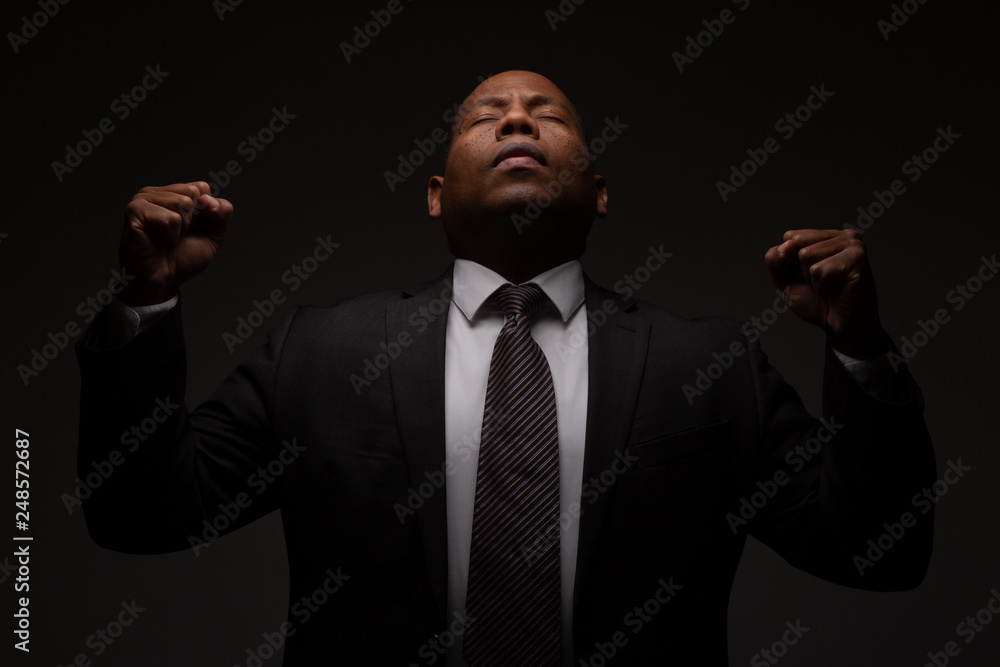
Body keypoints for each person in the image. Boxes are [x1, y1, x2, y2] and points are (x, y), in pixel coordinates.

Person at [76, 71, 935, 666]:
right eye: (486, 113)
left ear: (599, 191)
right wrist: (145, 300)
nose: (518, 120)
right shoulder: (318, 351)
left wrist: (857, 343)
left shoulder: (709, 363)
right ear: (436, 192)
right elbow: (142, 512)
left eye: (545, 112)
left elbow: (874, 550)